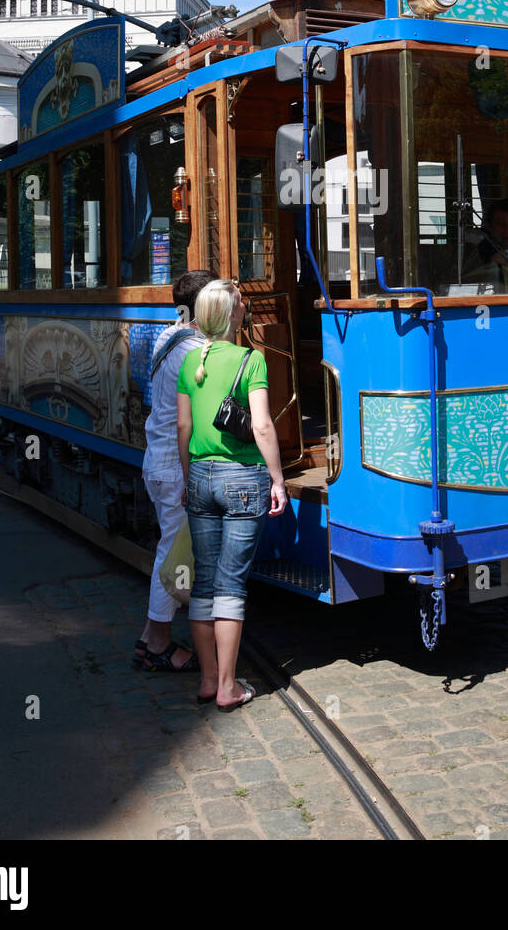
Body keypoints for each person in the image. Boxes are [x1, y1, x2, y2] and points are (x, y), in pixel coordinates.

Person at [177, 279, 288, 711]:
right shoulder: (251, 360)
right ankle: (228, 686)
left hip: (201, 476)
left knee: (204, 581)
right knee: (230, 585)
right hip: (243, 479)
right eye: (241, 303)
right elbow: (261, 426)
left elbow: (183, 428)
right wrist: (278, 479)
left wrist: (189, 477)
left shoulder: (190, 363)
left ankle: (208, 681)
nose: (245, 308)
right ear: (232, 315)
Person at [133, 268, 215, 673]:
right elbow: (197, 416)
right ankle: (159, 643)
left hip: (157, 459)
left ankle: (151, 637)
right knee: (174, 558)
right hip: (174, 468)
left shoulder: (170, 335)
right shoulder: (194, 350)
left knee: (170, 550)